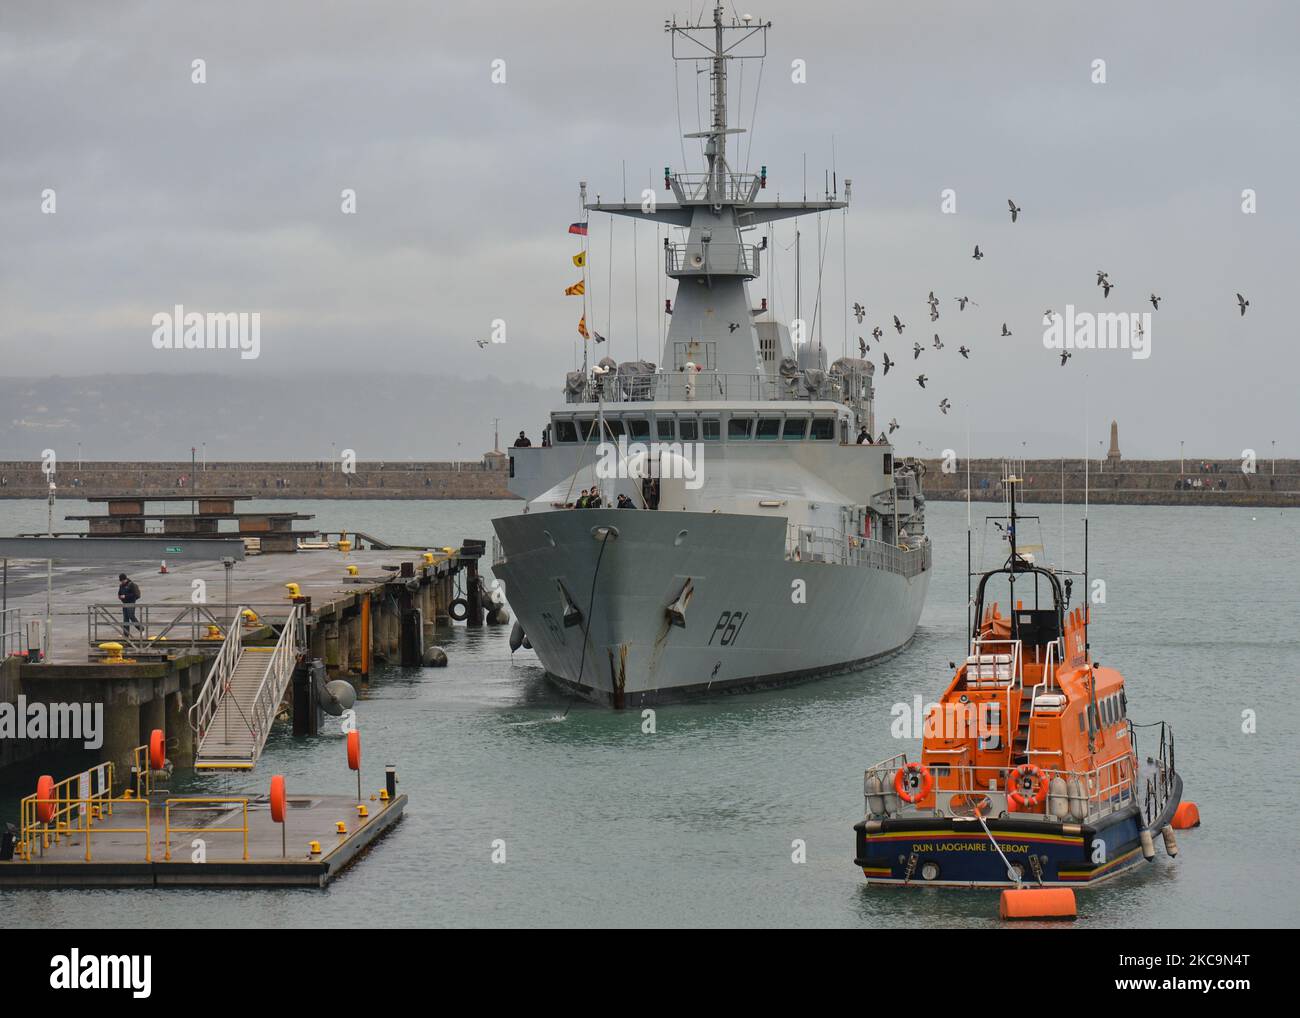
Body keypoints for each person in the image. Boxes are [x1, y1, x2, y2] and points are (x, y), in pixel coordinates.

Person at [117, 573, 142, 638]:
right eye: (121, 581)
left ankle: (141, 628)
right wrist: (120, 597)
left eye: (123, 580)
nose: (122, 582)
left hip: (131, 603)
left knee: (131, 616)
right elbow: (119, 593)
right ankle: (126, 634)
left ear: (125, 579)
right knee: (125, 619)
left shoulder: (131, 585)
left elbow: (134, 595)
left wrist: (125, 596)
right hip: (124, 603)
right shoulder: (121, 585)